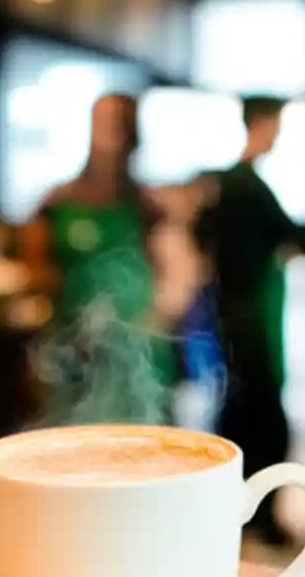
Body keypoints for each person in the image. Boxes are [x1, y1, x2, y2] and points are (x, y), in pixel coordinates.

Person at [20, 94, 198, 425]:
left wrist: (151, 320)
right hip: (72, 349)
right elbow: (37, 271)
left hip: (138, 356)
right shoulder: (57, 203)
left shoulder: (149, 206)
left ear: (131, 136)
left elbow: (181, 274)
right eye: (99, 123)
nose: (105, 135)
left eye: (115, 125)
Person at [195, 96, 305, 545]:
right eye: (276, 125)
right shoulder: (248, 186)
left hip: (230, 312)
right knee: (263, 417)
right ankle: (258, 513)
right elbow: (296, 233)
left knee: (240, 409)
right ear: (260, 124)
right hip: (249, 316)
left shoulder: (224, 185)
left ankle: (236, 512)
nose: (278, 136)